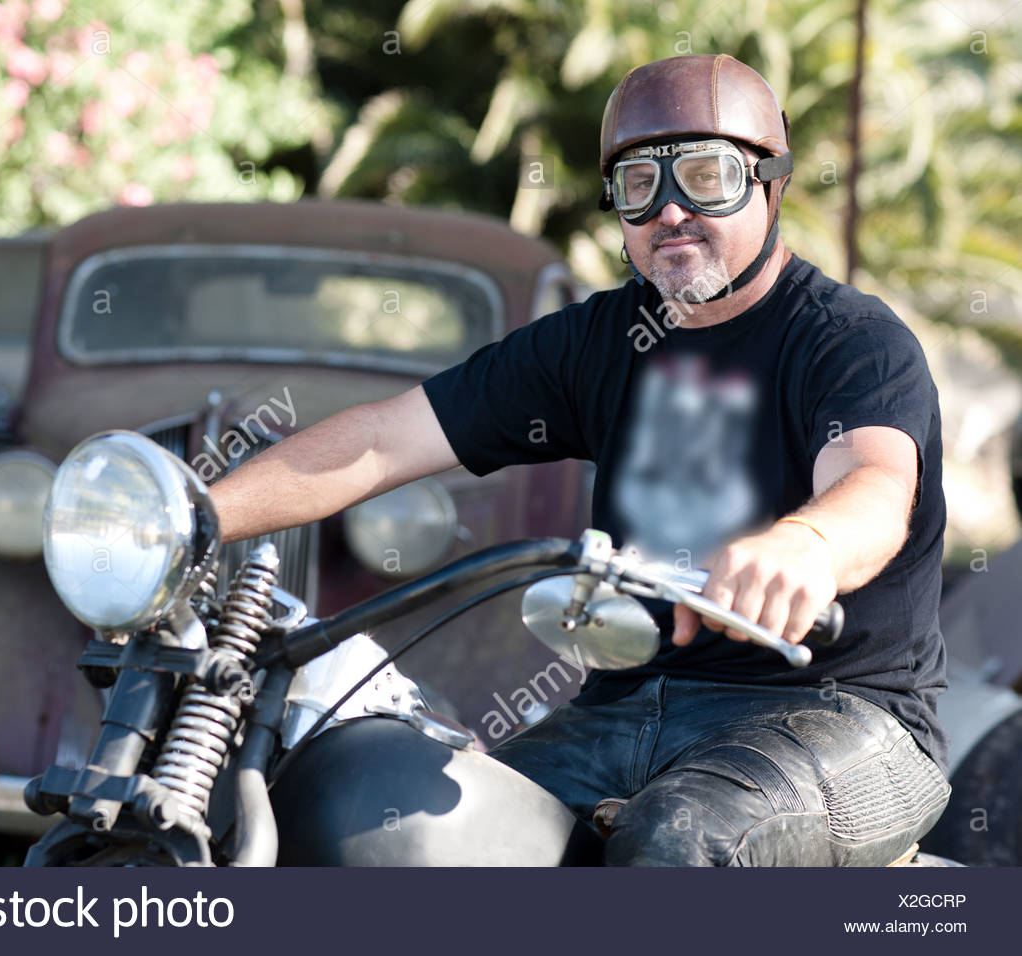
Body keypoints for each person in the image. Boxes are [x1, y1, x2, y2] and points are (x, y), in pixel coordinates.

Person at [209, 53, 951, 866]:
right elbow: (385, 439)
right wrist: (196, 519)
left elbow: (875, 483)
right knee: (418, 833)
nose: (670, 211)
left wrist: (808, 545)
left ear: (770, 185)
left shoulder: (851, 341)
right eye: (639, 185)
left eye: (706, 177)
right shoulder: (595, 342)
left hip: (843, 715)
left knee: (679, 842)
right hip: (626, 707)